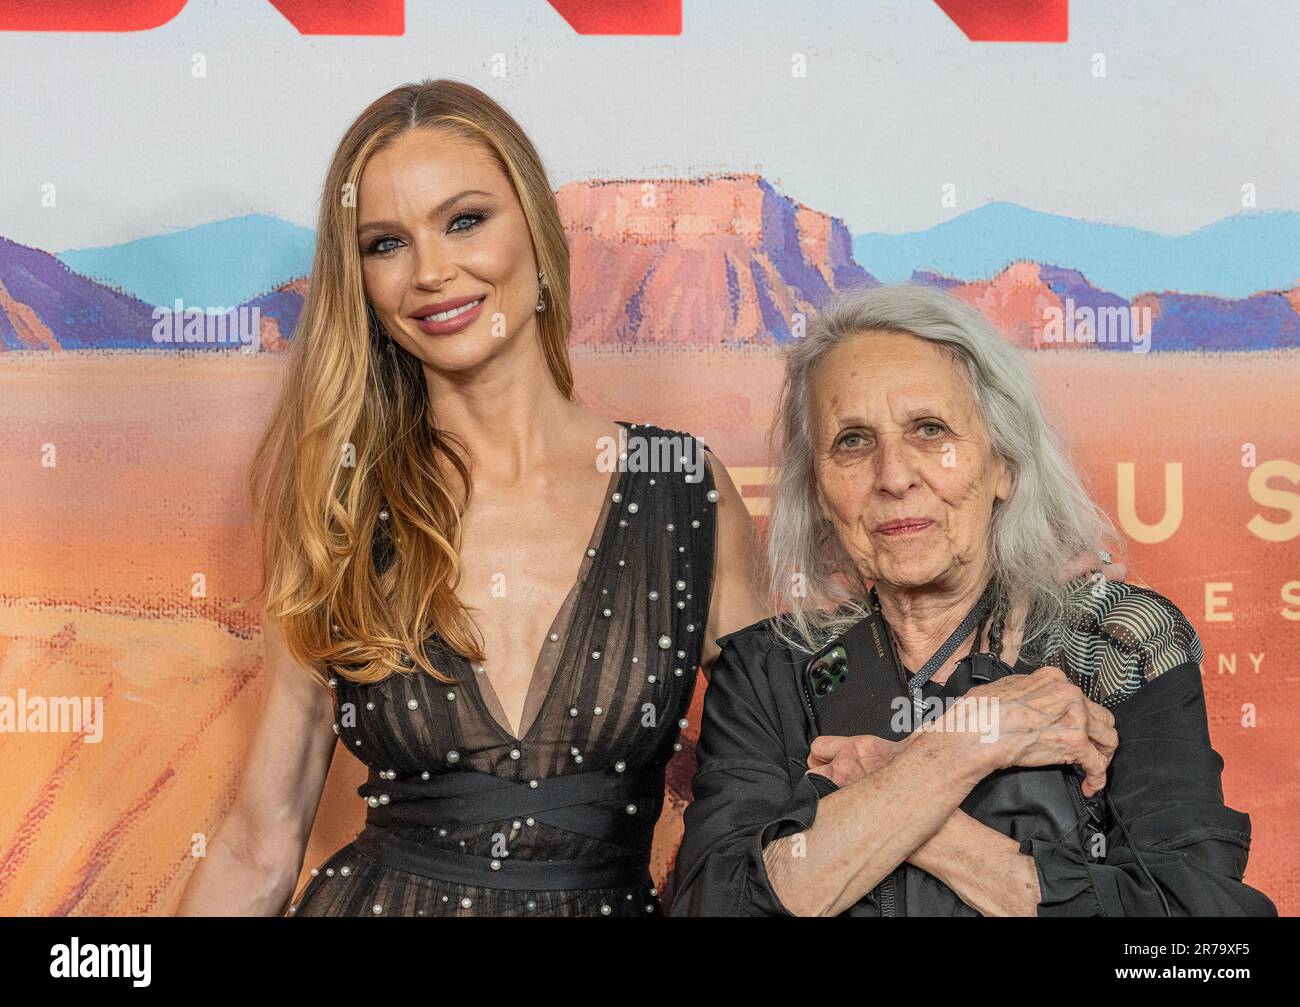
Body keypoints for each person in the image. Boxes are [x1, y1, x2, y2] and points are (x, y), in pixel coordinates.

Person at [176, 79, 766, 917]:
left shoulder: (682, 487)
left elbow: (771, 810)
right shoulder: (341, 505)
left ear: (535, 226)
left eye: (464, 220)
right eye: (385, 243)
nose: (431, 271)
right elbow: (259, 845)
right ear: (364, 288)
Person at [671, 283, 1277, 916]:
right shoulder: (769, 670)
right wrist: (965, 744)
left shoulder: (1114, 644)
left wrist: (887, 797)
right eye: (852, 440)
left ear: (1004, 464)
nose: (894, 476)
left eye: (930, 431)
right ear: (820, 490)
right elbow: (716, 908)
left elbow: (1203, 938)